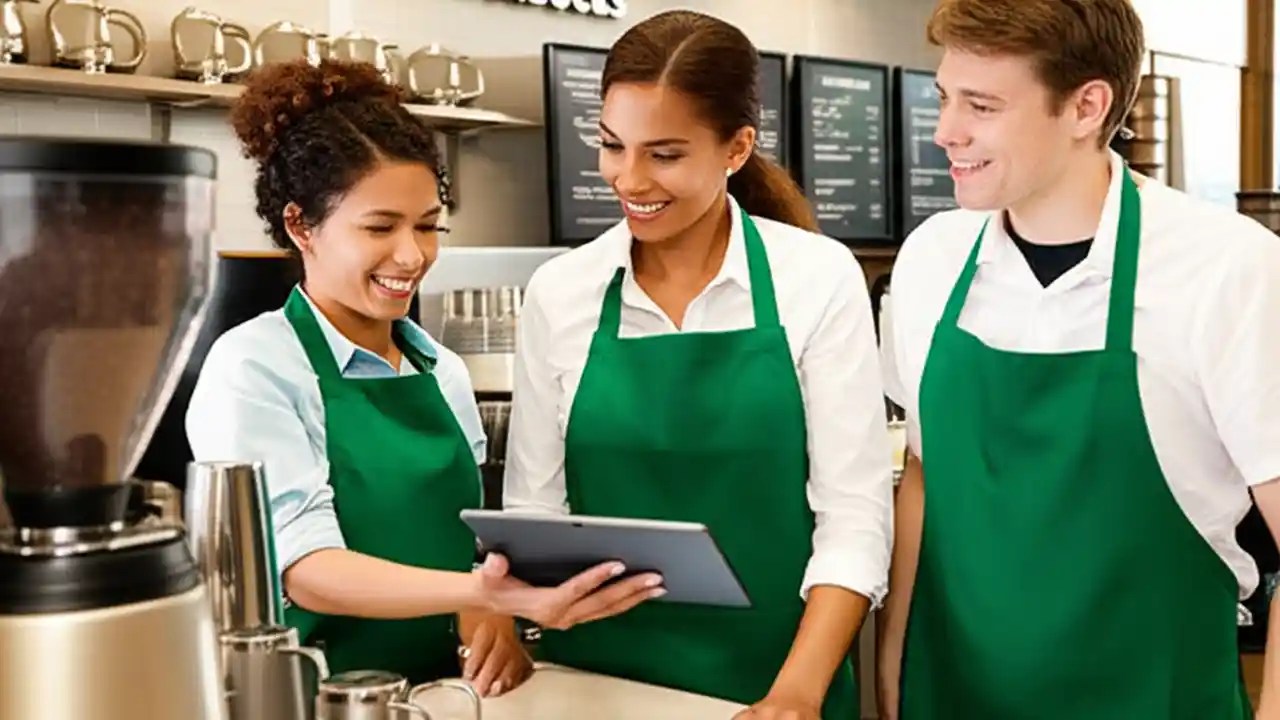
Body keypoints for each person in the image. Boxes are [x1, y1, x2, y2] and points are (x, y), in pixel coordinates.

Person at [184, 59, 662, 694]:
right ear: (301, 225)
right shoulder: (255, 367)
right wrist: (492, 595)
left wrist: (486, 616)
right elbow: (304, 568)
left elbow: (453, 545)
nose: (412, 256)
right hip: (315, 697)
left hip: (439, 695)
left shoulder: (444, 372)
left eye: (428, 226)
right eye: (379, 227)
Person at [877, 0, 1280, 717]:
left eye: (983, 105)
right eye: (944, 97)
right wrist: (891, 669)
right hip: (953, 695)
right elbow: (923, 478)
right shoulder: (931, 260)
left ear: (1087, 106)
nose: (945, 131)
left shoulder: (1226, 267)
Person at [503, 9, 894, 720]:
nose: (628, 178)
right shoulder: (561, 293)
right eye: (612, 145)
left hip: (775, 679)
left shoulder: (817, 278)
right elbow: (535, 510)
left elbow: (855, 518)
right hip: (596, 686)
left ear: (737, 147)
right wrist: (497, 612)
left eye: (665, 153)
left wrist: (796, 695)